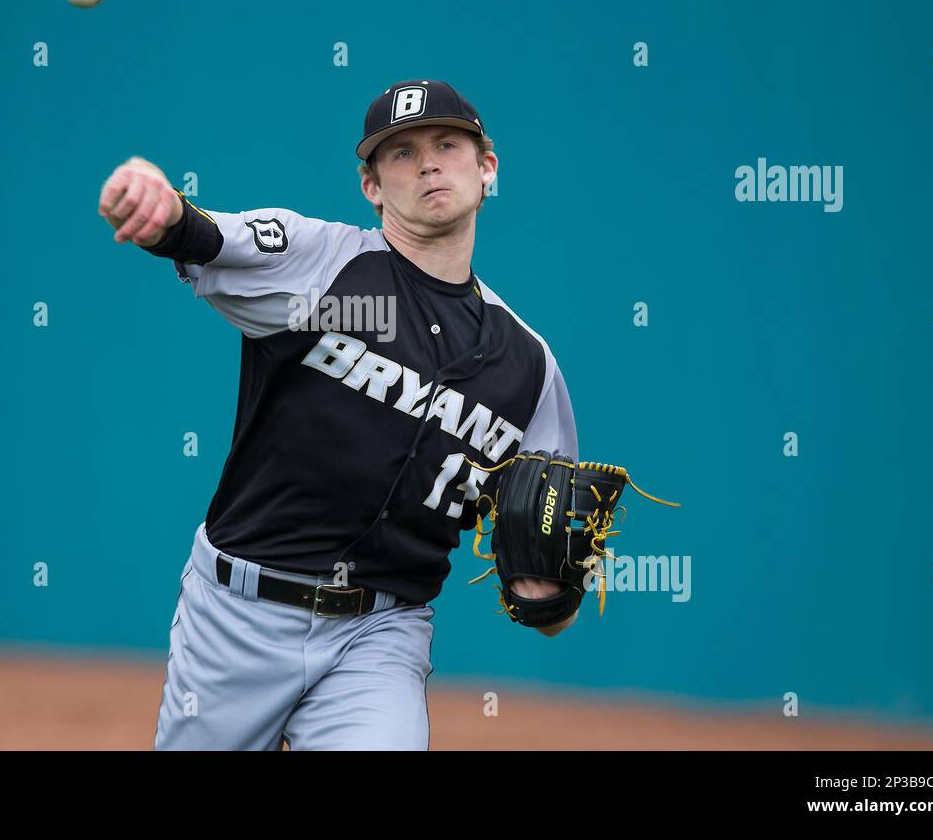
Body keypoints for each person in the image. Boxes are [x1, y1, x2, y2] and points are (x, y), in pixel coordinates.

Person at [98, 80, 579, 751]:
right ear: (372, 187)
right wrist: (160, 201)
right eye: (402, 154)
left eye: (447, 144)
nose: (429, 164)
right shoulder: (316, 262)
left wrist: (548, 590)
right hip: (238, 615)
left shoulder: (528, 366)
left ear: (486, 167)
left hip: (379, 635)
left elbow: (548, 564)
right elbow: (201, 234)